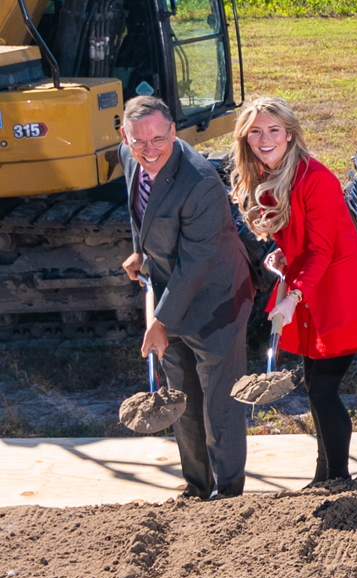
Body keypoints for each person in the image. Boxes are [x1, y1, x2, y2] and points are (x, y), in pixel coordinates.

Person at [230, 97, 357, 486]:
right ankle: (324, 474)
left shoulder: (315, 178)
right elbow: (302, 238)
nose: (265, 138)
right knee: (316, 388)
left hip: (337, 295)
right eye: (256, 132)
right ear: (246, 138)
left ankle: (339, 477)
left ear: (290, 134)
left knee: (324, 389)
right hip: (307, 288)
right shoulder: (271, 175)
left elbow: (323, 249)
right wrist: (282, 254)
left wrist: (291, 298)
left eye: (274, 130)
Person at [117, 95, 253, 499]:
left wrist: (159, 322)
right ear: (125, 138)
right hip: (170, 292)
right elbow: (139, 208)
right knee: (182, 398)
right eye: (139, 142)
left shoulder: (200, 183)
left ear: (174, 132)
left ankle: (229, 493)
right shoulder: (130, 157)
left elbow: (196, 263)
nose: (149, 150)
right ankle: (197, 487)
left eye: (159, 139)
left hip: (216, 301)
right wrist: (141, 249)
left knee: (219, 402)